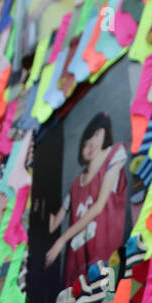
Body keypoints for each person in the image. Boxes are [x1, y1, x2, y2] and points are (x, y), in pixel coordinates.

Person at [45, 111, 128, 289]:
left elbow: (99, 206)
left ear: (106, 133)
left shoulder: (114, 155)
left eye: (96, 135)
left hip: (104, 250)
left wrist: (61, 240)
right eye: (86, 143)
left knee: (111, 296)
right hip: (77, 262)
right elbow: (54, 223)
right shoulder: (76, 185)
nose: (91, 145)